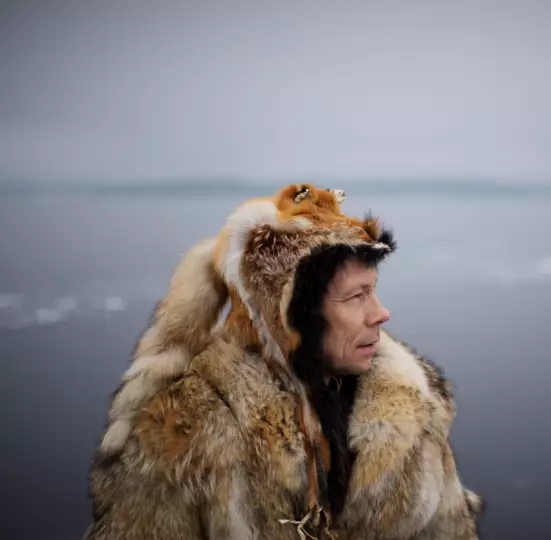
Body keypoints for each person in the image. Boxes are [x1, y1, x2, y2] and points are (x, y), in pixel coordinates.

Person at [82, 185, 483, 540]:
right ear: (292, 317)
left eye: (373, 292)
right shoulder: (188, 435)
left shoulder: (414, 410)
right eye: (356, 296)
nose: (381, 313)